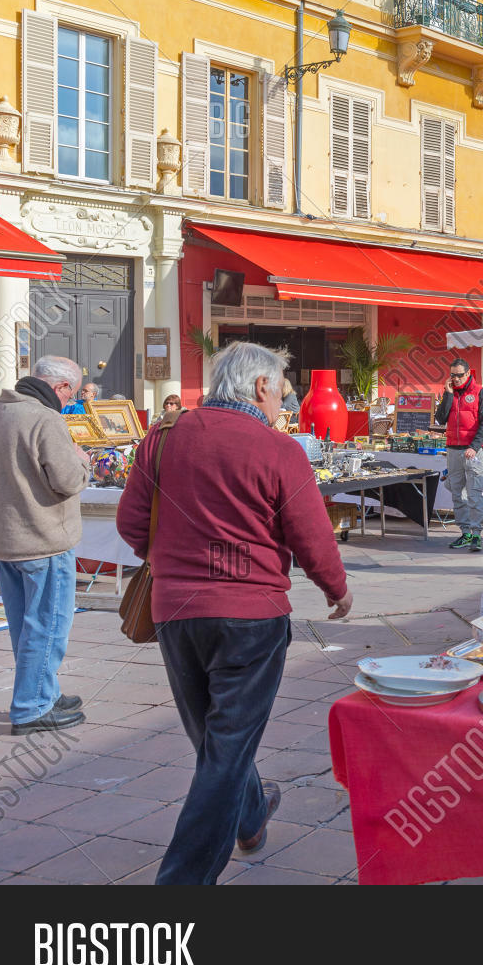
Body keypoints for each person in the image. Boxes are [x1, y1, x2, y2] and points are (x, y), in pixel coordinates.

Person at [117, 342, 351, 883]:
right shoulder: (278, 449)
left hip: (177, 610)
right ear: (261, 387)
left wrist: (175, 562)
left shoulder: (165, 436)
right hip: (251, 613)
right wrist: (336, 589)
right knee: (223, 748)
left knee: (214, 736)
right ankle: (181, 881)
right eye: (282, 394)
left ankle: (248, 817)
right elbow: (311, 536)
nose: (283, 407)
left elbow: (132, 523)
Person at [0, 356, 90, 735]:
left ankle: (43, 692)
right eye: (72, 393)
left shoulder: (0, 410)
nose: (70, 401)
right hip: (44, 539)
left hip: (7, 538)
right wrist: (83, 462)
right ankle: (32, 707)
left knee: (24, 625)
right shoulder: (45, 418)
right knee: (48, 626)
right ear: (62, 387)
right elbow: (67, 480)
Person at [433, 358, 483, 553]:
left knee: (474, 493)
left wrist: (475, 446)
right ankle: (465, 532)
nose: (456, 379)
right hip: (453, 449)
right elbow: (440, 419)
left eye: (459, 375)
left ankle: (476, 534)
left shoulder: (480, 393)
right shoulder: (449, 392)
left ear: (468, 374)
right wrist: (448, 395)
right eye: (452, 375)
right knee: (457, 493)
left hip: (471, 451)